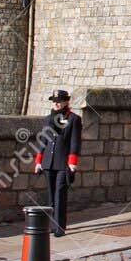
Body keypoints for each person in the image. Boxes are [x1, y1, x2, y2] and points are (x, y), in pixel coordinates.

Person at [32, 89, 82, 235]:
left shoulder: (73, 119)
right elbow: (43, 141)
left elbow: (75, 141)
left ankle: (59, 226)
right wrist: (38, 161)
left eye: (59, 101)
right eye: (54, 102)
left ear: (66, 102)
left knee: (60, 193)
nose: (56, 104)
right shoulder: (48, 119)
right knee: (51, 194)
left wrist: (72, 161)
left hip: (63, 162)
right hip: (48, 161)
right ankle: (52, 224)